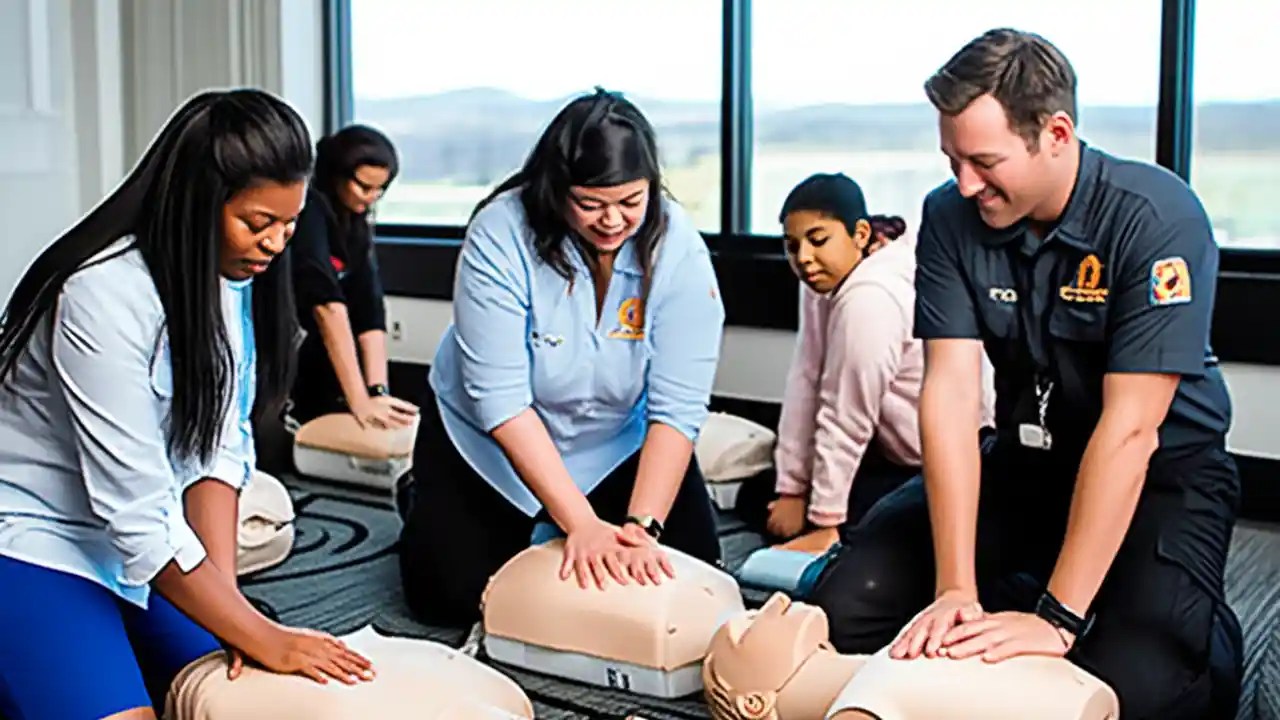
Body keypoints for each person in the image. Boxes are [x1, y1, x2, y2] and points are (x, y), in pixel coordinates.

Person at [807, 28, 1242, 720]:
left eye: (984, 161)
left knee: (1145, 685)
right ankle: (1017, 590)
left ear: (1057, 134)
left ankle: (1190, 619)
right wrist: (953, 589)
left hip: (1160, 473)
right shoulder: (950, 215)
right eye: (952, 160)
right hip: (1029, 462)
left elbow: (1131, 431)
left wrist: (1060, 618)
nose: (965, 183)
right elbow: (948, 393)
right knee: (845, 605)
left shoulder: (1156, 218)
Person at [0, 89, 374, 720]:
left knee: (232, 697)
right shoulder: (101, 294)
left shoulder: (229, 277)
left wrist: (231, 611)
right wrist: (259, 633)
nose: (277, 244)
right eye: (258, 224)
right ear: (198, 202)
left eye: (289, 224)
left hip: (139, 547)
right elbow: (137, 510)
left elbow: (218, 451)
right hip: (36, 537)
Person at [398, 88, 726, 625]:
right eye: (591, 204)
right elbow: (500, 401)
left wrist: (641, 529)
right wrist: (581, 523)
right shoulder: (500, 233)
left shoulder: (678, 248)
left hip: (616, 437)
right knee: (447, 599)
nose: (612, 221)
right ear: (555, 189)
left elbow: (678, 406)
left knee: (696, 576)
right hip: (489, 441)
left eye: (630, 202)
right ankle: (421, 495)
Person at [736, 173, 991, 555]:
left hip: (943, 465)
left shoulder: (870, 299)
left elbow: (846, 415)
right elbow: (807, 378)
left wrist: (824, 521)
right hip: (890, 452)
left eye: (818, 240)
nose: (804, 258)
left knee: (863, 521)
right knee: (758, 493)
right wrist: (791, 488)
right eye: (792, 246)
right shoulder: (823, 279)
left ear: (859, 234)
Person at [287, 124, 418, 429]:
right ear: (337, 176)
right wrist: (358, 401)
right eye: (363, 186)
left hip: (324, 358)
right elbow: (326, 303)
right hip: (286, 355)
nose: (372, 198)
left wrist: (378, 392)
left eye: (380, 190)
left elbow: (369, 310)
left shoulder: (356, 223)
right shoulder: (310, 209)